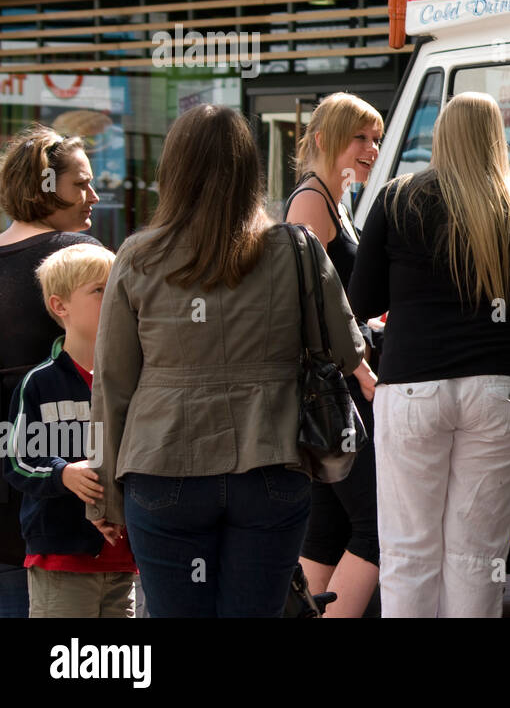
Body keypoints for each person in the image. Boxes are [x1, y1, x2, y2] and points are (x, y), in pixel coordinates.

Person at [88, 105, 365, 618]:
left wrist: (104, 495)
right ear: (248, 170)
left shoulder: (137, 256)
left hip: (163, 464)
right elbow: (347, 350)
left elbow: (111, 383)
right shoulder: (295, 248)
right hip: (270, 462)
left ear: (173, 171)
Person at [350, 92, 510, 618]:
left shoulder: (397, 199)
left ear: (440, 137)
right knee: (478, 555)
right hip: (497, 390)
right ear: (493, 140)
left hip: (413, 387)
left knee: (408, 551)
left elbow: (362, 300)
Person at [284, 92, 383, 618]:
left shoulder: (332, 200)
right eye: (359, 137)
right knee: (376, 528)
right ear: (324, 139)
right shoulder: (311, 201)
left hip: (336, 391)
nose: (370, 149)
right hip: (335, 393)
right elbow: (307, 311)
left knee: (329, 530)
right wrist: (360, 357)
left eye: (375, 139)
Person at [0, 125, 102, 618]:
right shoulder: (73, 261)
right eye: (80, 184)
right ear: (43, 186)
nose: (93, 195)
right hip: (62, 483)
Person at [4, 244, 136, 617]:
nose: (113, 298)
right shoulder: (39, 382)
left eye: (118, 288)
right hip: (61, 557)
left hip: (123, 559)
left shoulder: (134, 378)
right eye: (99, 290)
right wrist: (63, 473)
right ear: (60, 306)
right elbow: (15, 460)